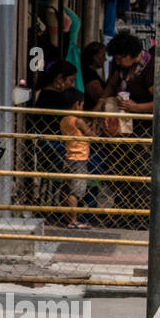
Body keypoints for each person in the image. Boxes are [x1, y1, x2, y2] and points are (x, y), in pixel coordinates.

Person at [58, 88, 91, 229]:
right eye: (82, 105)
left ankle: (68, 219)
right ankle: (73, 220)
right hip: (80, 158)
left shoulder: (64, 120)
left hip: (68, 156)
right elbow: (92, 135)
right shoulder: (78, 120)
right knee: (75, 192)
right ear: (77, 104)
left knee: (68, 189)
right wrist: (93, 124)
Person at [107, 32, 155, 115]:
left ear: (130, 54)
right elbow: (111, 85)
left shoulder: (150, 69)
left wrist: (137, 107)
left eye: (119, 59)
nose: (117, 63)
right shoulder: (122, 67)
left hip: (144, 122)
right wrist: (100, 102)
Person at [79, 41, 108, 112]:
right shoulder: (89, 75)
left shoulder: (90, 72)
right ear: (95, 57)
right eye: (103, 55)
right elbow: (99, 97)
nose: (105, 59)